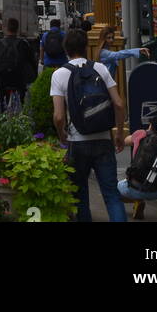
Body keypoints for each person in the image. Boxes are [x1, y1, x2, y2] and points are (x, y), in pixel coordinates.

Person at [51, 28, 127, 224]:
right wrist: (118, 132)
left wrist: (62, 136)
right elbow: (119, 104)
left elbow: (59, 116)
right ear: (86, 47)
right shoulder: (100, 69)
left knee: (80, 194)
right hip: (103, 139)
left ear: (65, 49)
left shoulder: (59, 75)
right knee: (111, 193)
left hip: (77, 142)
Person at [118, 113, 157, 220]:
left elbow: (126, 141)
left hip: (133, 188)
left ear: (150, 125)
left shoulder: (140, 134)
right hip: (156, 193)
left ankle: (137, 201)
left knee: (113, 190)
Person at [0, 17, 34, 111]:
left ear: (6, 28)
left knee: (2, 100)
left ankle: (3, 113)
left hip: (2, 77)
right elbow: (31, 61)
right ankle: (20, 109)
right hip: (18, 77)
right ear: (17, 29)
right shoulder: (23, 44)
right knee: (21, 98)